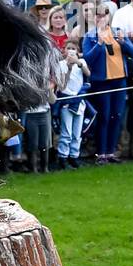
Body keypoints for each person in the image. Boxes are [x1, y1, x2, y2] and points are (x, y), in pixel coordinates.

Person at [82, 15, 133, 164]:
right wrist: (99, 43)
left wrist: (123, 42)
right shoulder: (89, 36)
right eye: (98, 15)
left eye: (104, 14)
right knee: (104, 116)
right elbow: (88, 58)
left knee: (116, 116)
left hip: (119, 80)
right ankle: (101, 154)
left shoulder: (118, 32)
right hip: (102, 82)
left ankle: (111, 152)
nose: (101, 18)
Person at [53, 39, 91, 169]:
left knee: (77, 133)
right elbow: (62, 85)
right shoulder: (60, 64)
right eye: (68, 48)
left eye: (73, 48)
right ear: (64, 50)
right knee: (66, 132)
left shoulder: (82, 62)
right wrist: (69, 68)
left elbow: (88, 74)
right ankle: (63, 157)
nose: (71, 51)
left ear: (78, 51)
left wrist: (78, 63)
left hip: (79, 100)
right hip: (66, 101)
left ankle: (74, 156)